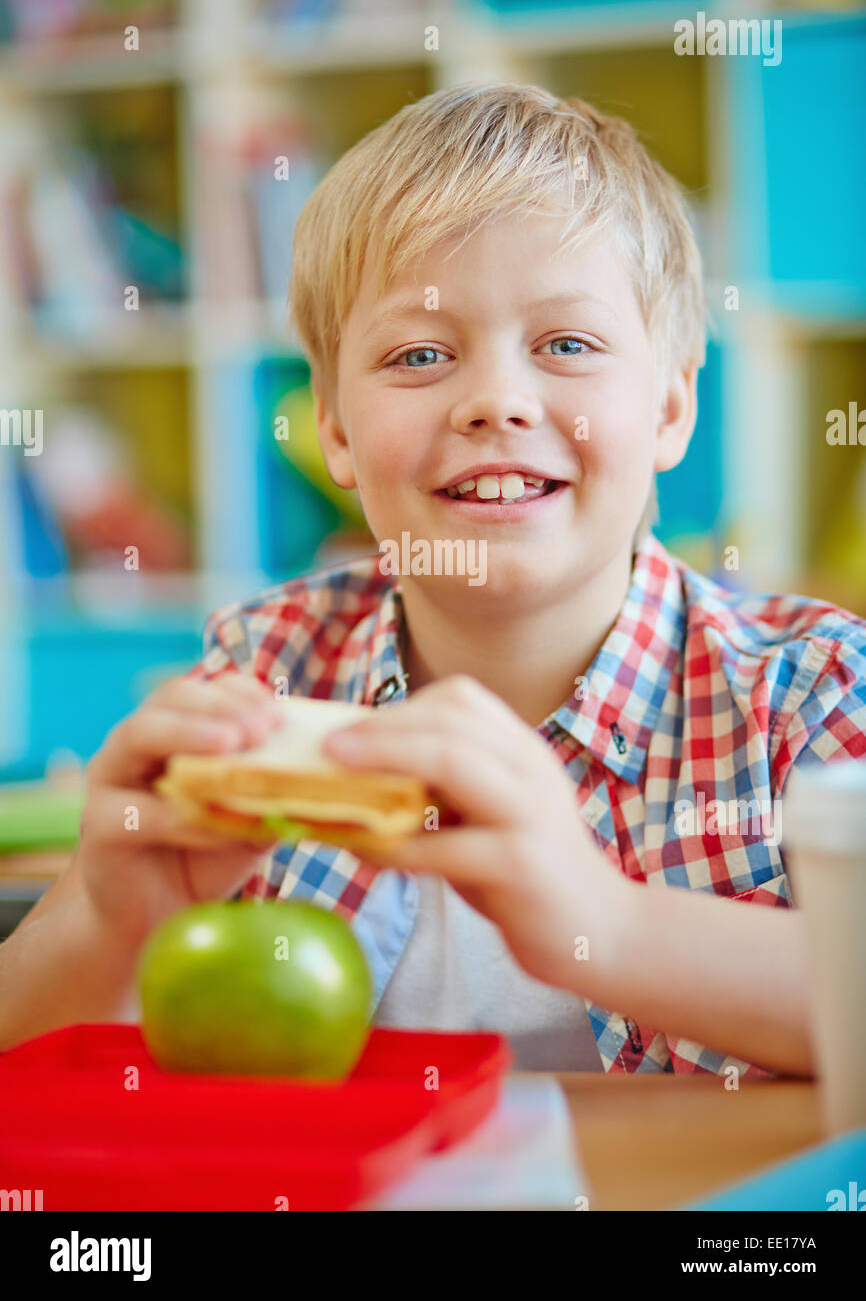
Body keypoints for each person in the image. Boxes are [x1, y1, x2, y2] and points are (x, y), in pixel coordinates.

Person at [3, 84, 864, 1077]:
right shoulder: (259, 671)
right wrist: (107, 920)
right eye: (419, 354)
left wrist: (605, 925)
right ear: (332, 426)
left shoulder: (807, 698)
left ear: (670, 406)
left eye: (565, 345)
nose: (494, 400)